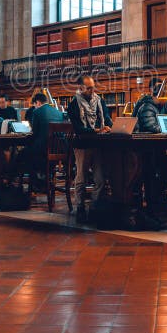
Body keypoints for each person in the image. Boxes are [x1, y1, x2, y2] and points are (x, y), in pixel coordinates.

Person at [68, 75, 112, 222]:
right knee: (81, 177)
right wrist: (96, 130)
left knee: (100, 178)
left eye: (93, 87)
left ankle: (94, 207)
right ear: (80, 88)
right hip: (82, 144)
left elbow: (107, 118)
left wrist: (110, 127)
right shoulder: (74, 104)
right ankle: (80, 208)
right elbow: (79, 129)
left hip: (98, 144)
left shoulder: (100, 101)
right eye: (89, 88)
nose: (92, 91)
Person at [27, 91, 64, 179]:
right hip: (59, 148)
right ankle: (46, 177)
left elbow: (34, 133)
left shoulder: (37, 112)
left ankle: (35, 181)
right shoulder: (58, 112)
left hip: (43, 149)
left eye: (35, 105)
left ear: (38, 102)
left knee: (24, 153)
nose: (35, 107)